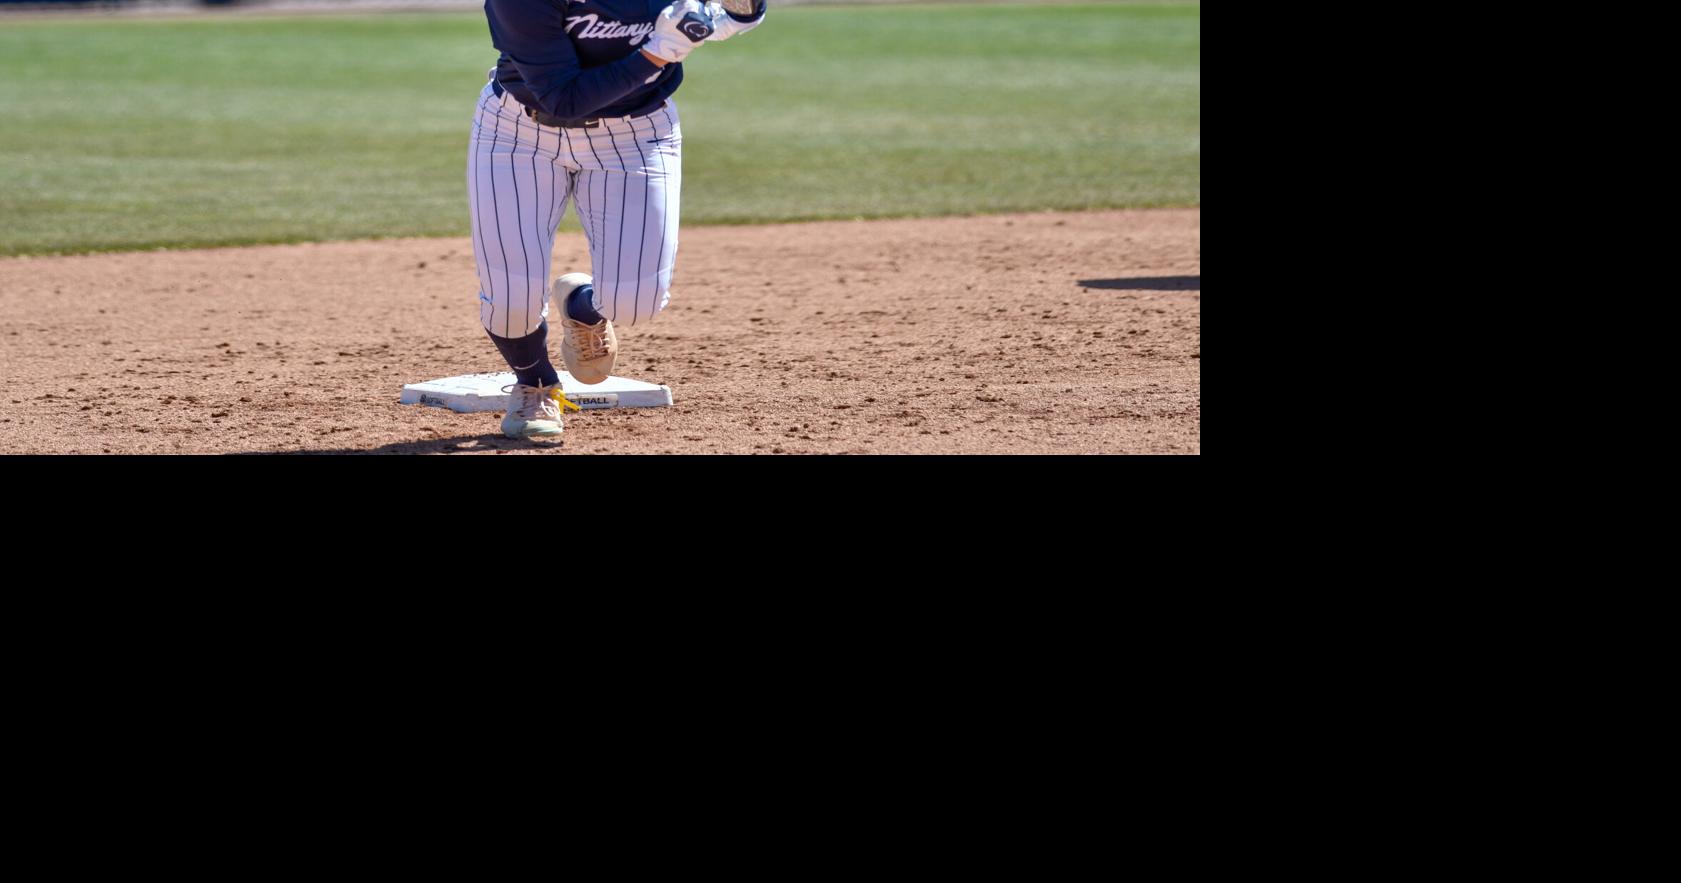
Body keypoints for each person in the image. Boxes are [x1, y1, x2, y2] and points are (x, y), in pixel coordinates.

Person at [467, 0, 766, 440]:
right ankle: (535, 384)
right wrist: (659, 51)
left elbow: (733, 15)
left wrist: (730, 17)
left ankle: (581, 306)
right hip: (517, 133)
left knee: (637, 302)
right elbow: (563, 97)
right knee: (510, 301)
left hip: (637, 134)